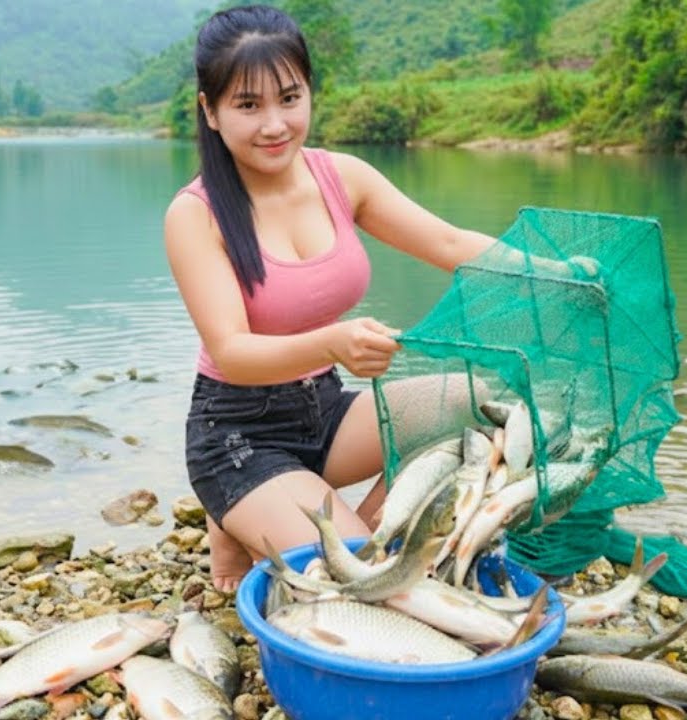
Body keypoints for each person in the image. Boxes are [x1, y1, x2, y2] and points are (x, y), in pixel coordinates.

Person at [164, 4, 504, 592]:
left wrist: (555, 270)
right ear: (210, 111)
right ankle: (248, 508)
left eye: (289, 99)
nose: (275, 124)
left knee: (484, 407)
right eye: (248, 105)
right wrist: (333, 341)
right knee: (362, 583)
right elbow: (232, 350)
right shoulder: (195, 215)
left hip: (326, 412)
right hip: (238, 435)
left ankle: (351, 530)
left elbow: (449, 242)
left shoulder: (341, 177)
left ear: (309, 94)